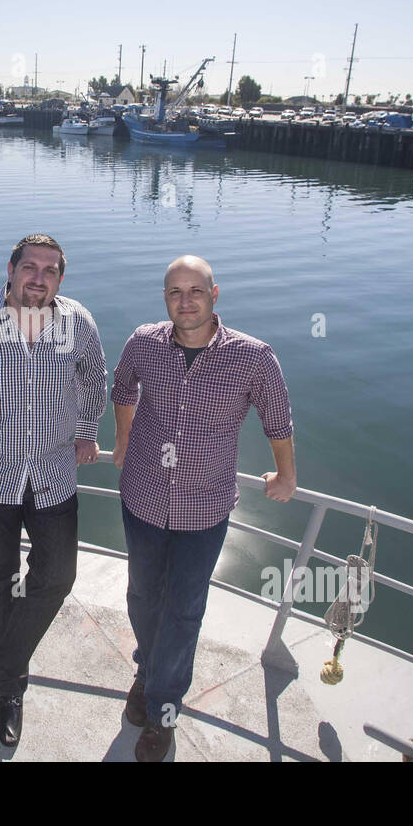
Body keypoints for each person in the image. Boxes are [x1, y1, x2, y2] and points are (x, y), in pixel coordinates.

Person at [111, 255, 296, 762]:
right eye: (175, 292)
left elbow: (277, 415)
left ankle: (163, 710)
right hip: (144, 497)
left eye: (196, 290)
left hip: (204, 508)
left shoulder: (253, 357)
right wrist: (124, 441)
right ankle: (147, 671)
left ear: (215, 295)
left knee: (183, 611)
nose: (185, 301)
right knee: (143, 599)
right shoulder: (145, 342)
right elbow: (122, 387)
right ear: (165, 298)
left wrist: (286, 475)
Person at [0, 234, 107, 747]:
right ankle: (6, 690)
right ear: (11, 268)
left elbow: (94, 377)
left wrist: (86, 428)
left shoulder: (77, 322)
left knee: (57, 577)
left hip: (53, 474)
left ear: (61, 278)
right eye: (30, 267)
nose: (38, 278)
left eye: (50, 270)